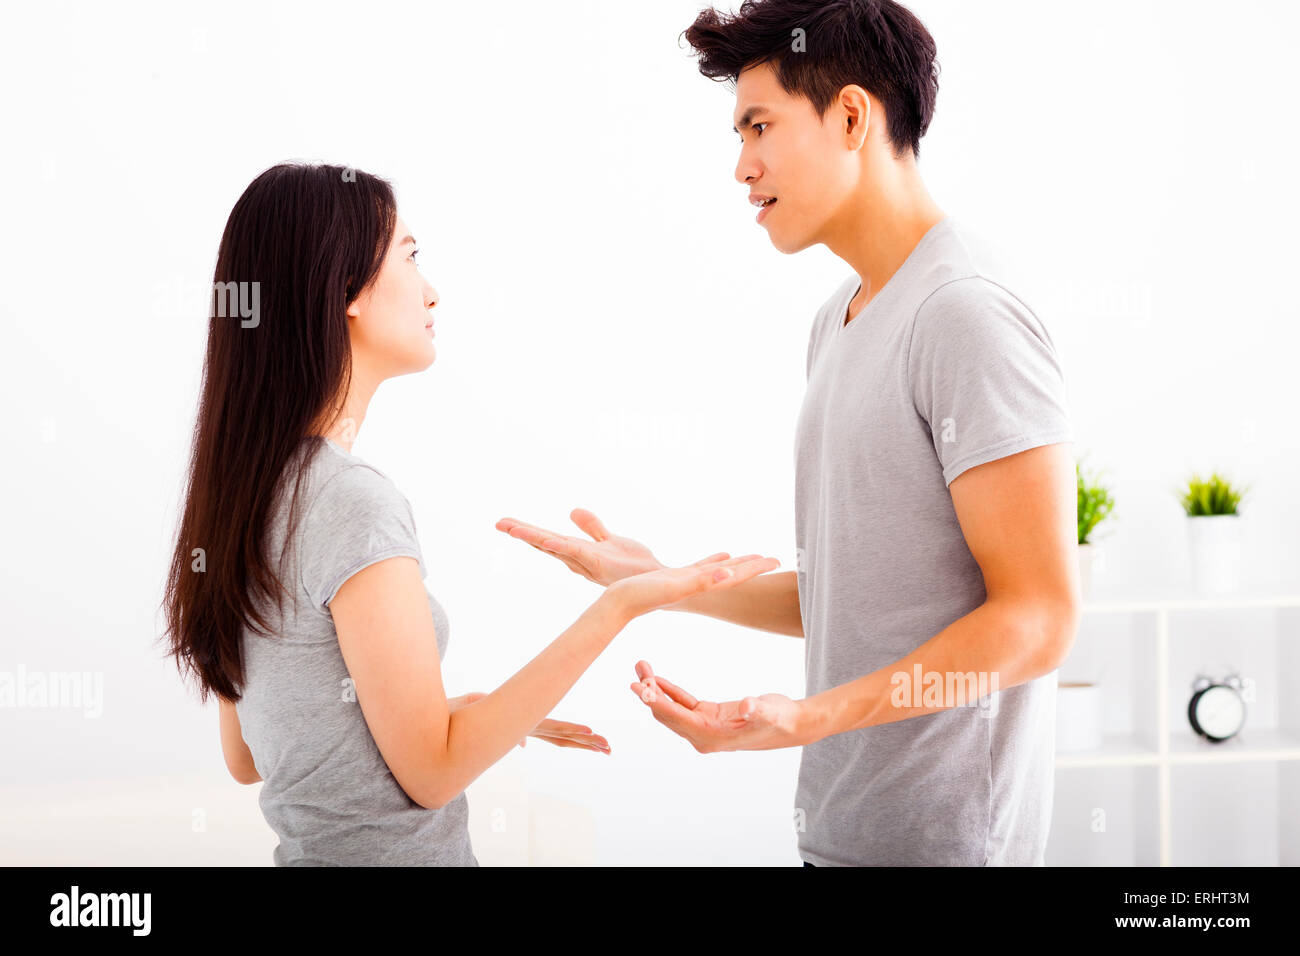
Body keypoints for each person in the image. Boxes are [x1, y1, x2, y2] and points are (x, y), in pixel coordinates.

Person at [496, 0, 1081, 866]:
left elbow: (1039, 618)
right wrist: (661, 580)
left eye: (759, 126)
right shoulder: (838, 322)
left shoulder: (965, 315)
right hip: (839, 838)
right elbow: (853, 601)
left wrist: (811, 716)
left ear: (851, 116)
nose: (742, 166)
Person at [160, 161, 779, 866]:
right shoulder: (350, 502)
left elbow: (252, 756)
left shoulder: (244, 499)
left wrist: (467, 712)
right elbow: (433, 773)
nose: (432, 290)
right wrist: (621, 605)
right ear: (345, 289)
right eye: (410, 254)